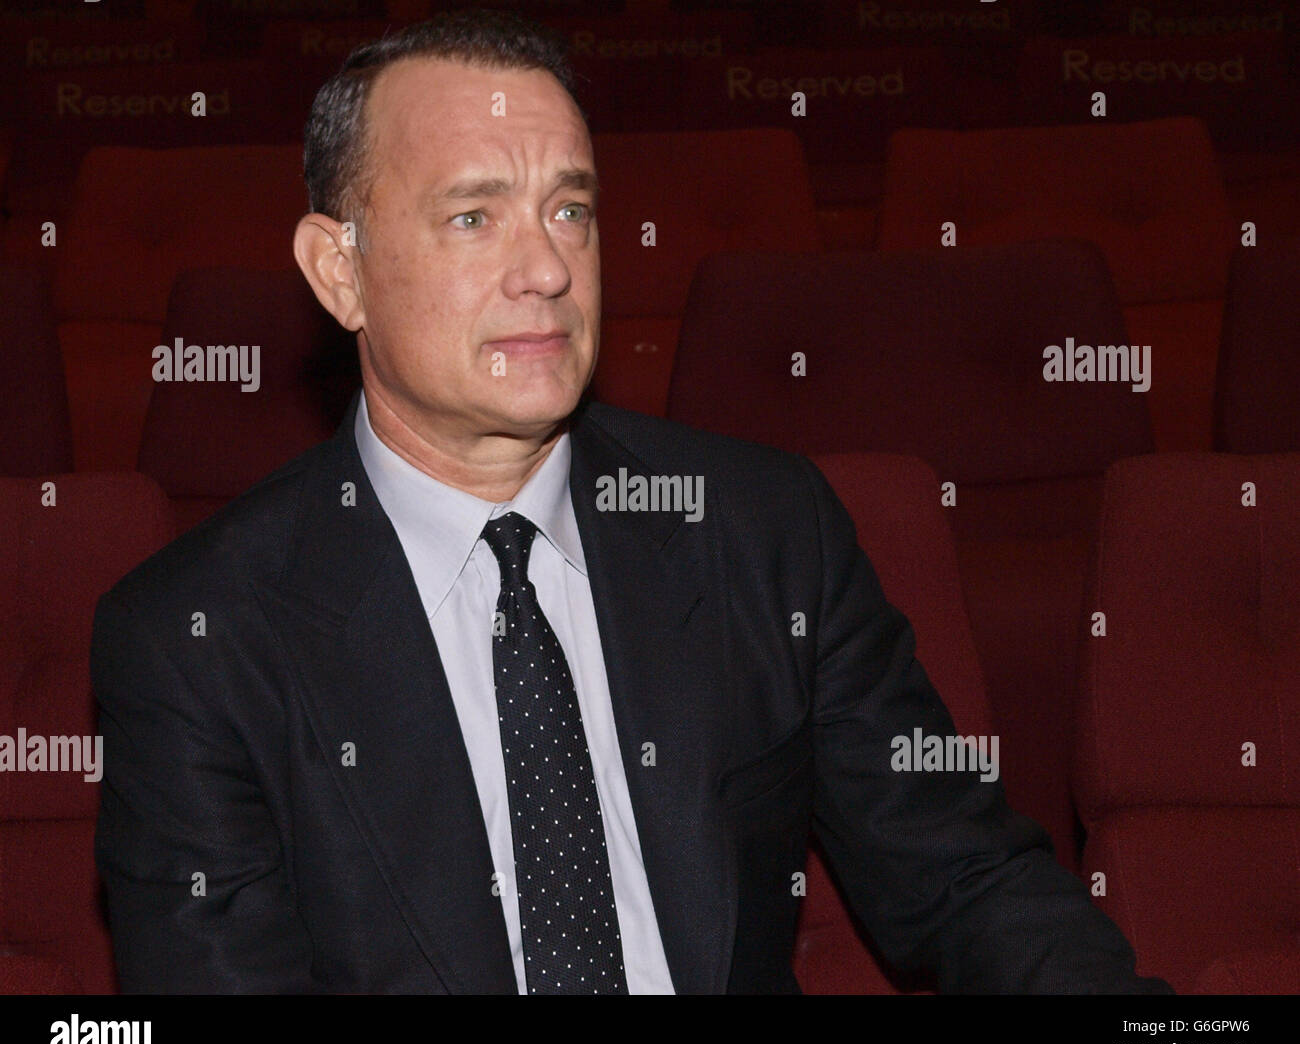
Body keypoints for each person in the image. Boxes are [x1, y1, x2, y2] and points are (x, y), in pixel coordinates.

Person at [92, 9, 1171, 994]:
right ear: (341, 273)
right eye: (473, 217)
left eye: (570, 209)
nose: (546, 268)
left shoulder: (763, 532)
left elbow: (967, 878)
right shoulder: (199, 635)